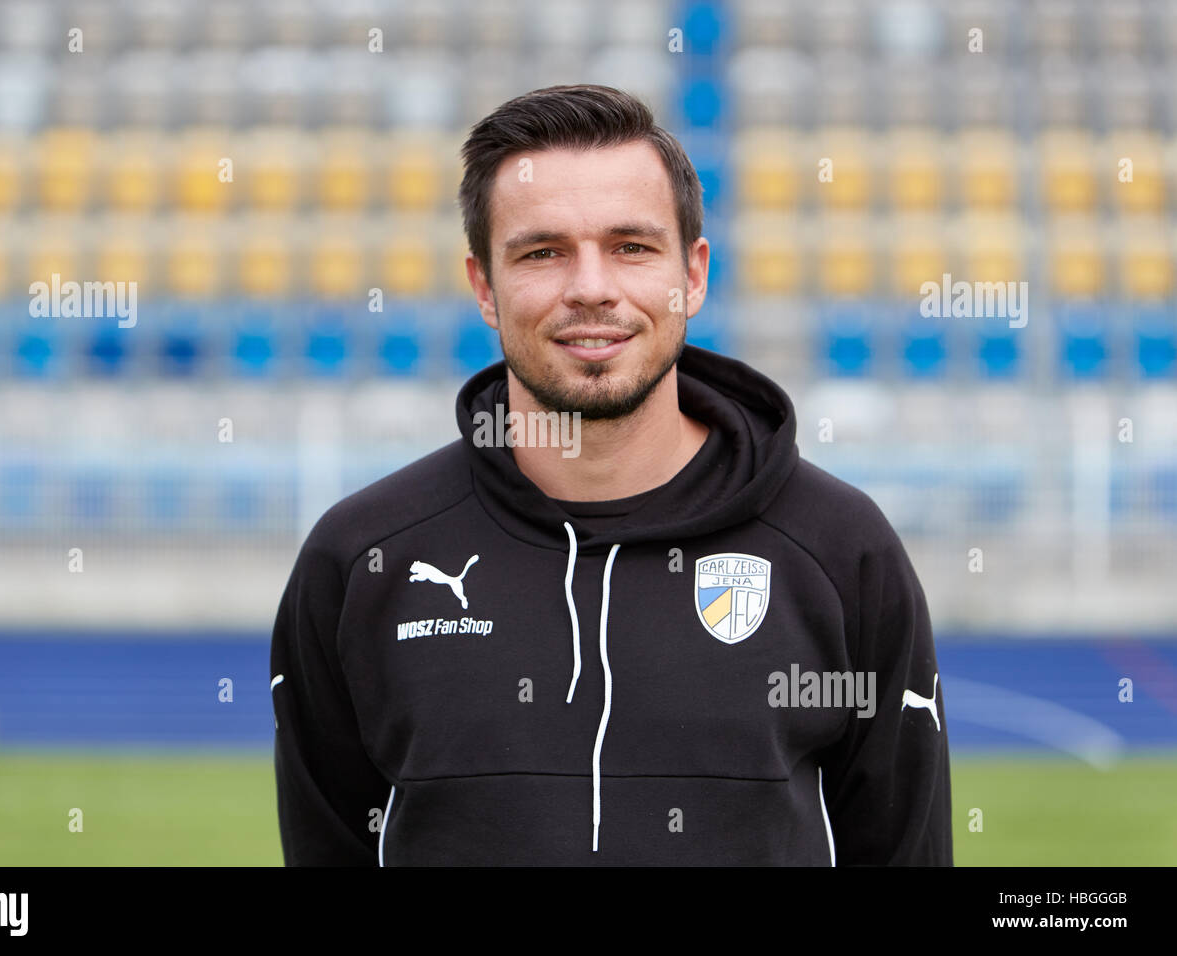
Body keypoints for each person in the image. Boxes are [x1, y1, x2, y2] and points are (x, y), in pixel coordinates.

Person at [270, 84, 952, 865]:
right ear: (485, 287)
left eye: (632, 247)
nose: (591, 287)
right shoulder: (363, 559)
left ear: (693, 275)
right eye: (542, 252)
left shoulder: (840, 550)